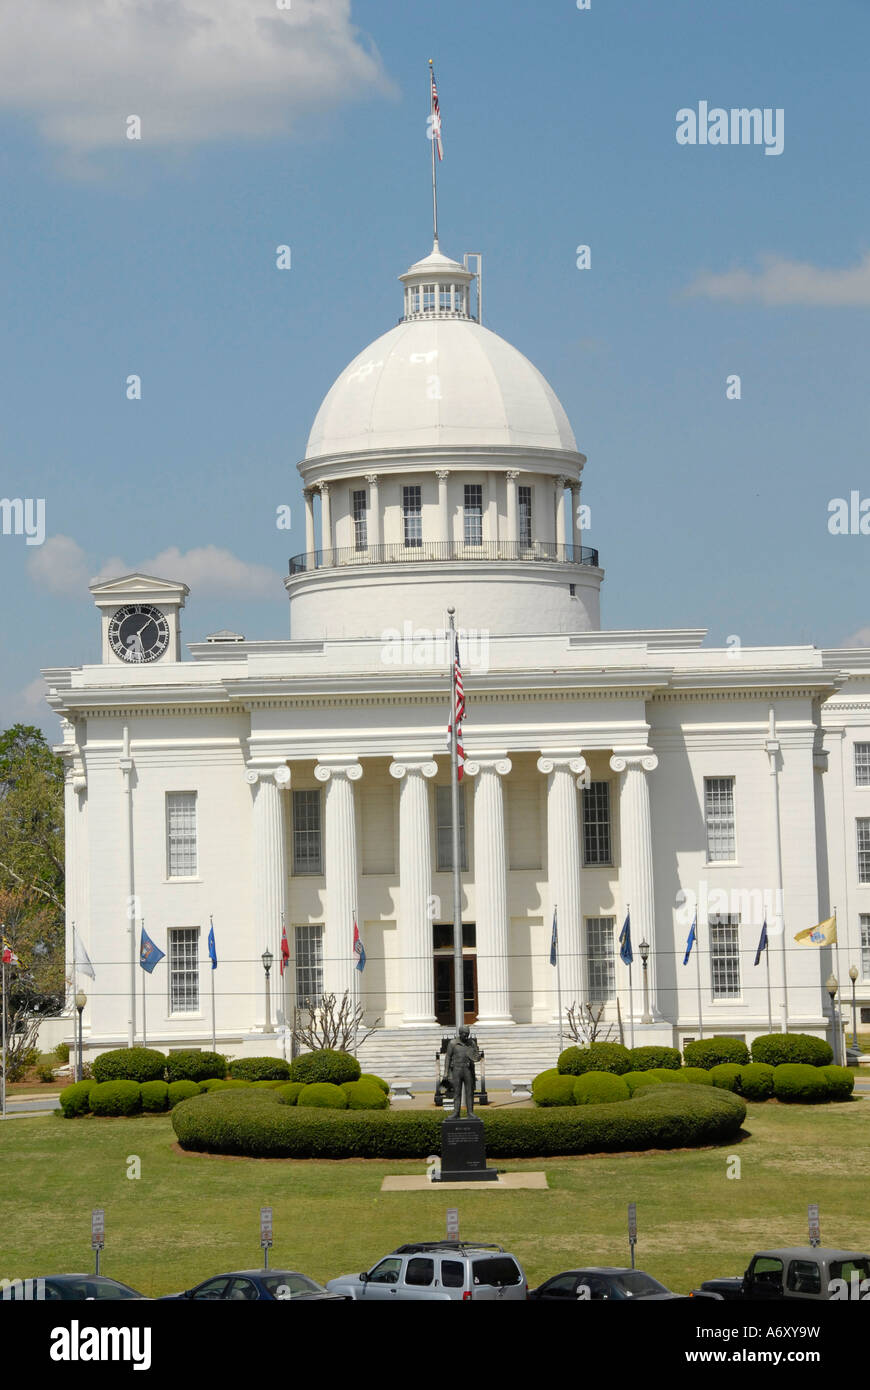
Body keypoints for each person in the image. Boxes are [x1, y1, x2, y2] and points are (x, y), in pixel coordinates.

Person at [443, 1025, 482, 1118]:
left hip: (468, 1070)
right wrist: (446, 1072)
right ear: (460, 1034)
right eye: (465, 1034)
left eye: (468, 1034)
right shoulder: (453, 1043)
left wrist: (477, 1057)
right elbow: (448, 1057)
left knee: (470, 1092)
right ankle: (456, 1112)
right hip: (456, 1069)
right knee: (457, 1092)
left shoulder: (471, 1043)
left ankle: (470, 1113)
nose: (466, 1036)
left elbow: (476, 1054)